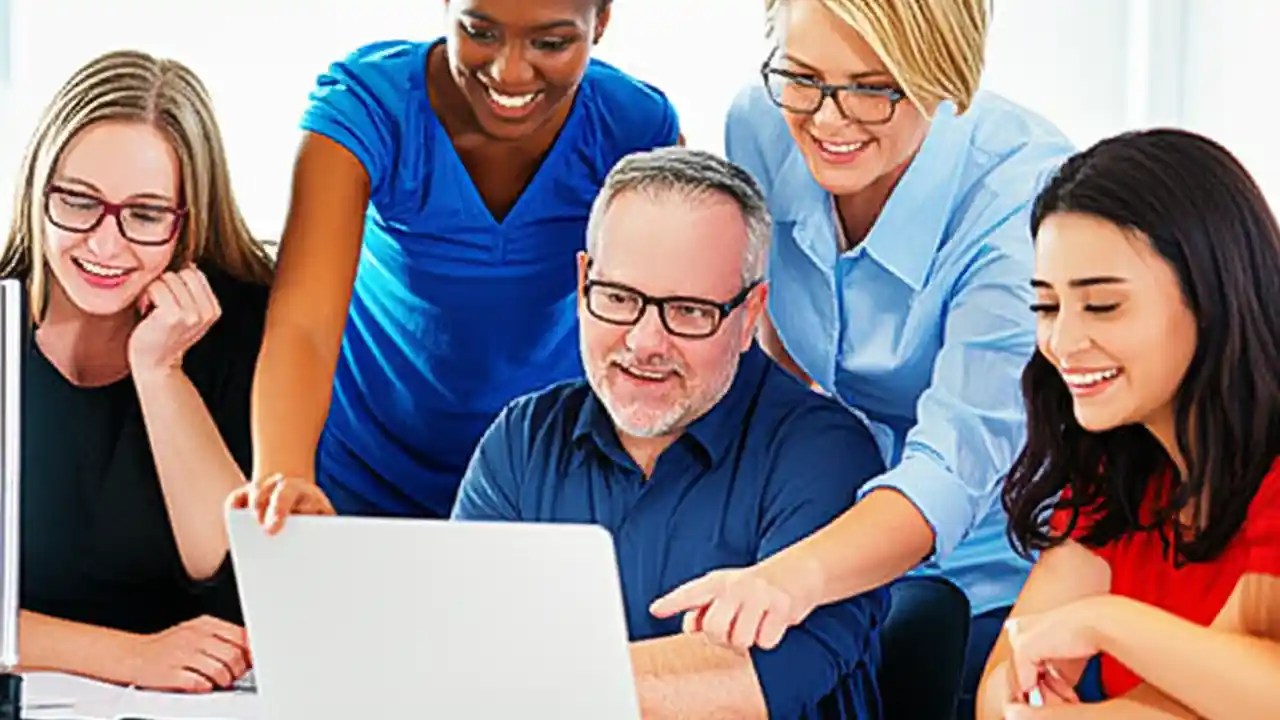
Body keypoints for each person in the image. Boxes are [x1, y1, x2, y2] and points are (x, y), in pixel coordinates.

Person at [648, 0, 1076, 715]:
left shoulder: (1021, 202)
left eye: (873, 88)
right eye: (803, 76)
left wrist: (786, 580)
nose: (828, 118)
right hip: (828, 537)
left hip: (996, 559)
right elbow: (779, 328)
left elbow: (952, 470)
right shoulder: (761, 122)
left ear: (941, 73)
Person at [452, 147, 888, 719]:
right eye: (619, 298)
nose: (645, 344)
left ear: (750, 314)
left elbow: (749, 688)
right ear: (583, 282)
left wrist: (514, 680)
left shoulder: (824, 454)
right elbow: (461, 645)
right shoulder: (523, 441)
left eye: (688, 311)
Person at [231, 0, 681, 528]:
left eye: (551, 43)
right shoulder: (369, 106)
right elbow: (302, 325)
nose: (510, 72)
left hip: (542, 483)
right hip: (363, 474)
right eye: (480, 32)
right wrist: (283, 478)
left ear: (600, 22)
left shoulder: (634, 126)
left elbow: (667, 322)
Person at [976, 130, 1280, 719]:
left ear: (1212, 296)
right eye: (1047, 306)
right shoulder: (1118, 470)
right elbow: (1000, 691)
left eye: (1102, 306)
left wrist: (1104, 621)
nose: (1062, 341)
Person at [0, 50, 274, 692]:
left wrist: (160, 371)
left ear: (188, 222)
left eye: (145, 215)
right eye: (77, 201)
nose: (104, 243)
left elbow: (239, 576)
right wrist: (128, 656)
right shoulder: (5, 317)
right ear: (39, 188)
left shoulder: (249, 326)